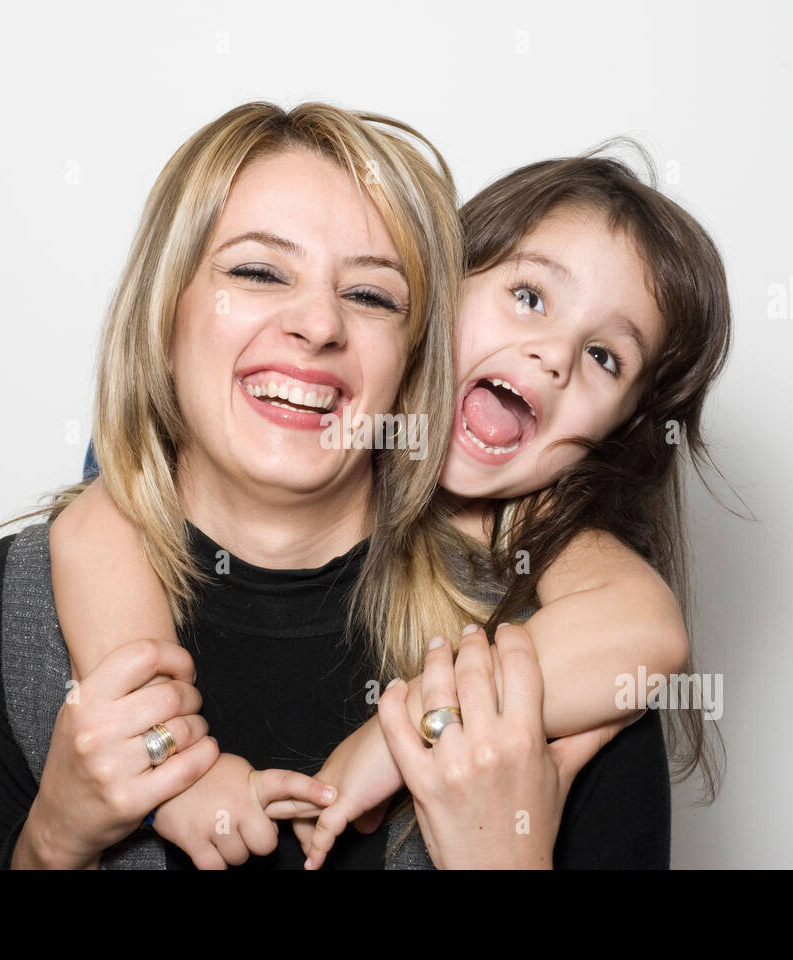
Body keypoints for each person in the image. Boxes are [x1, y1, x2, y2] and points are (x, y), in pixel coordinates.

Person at [51, 139, 733, 868]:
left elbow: (647, 628)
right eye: (529, 298)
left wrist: (396, 738)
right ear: (436, 286)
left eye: (605, 358)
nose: (555, 357)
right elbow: (95, 519)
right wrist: (172, 767)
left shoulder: (536, 533)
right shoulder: (286, 418)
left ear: (611, 434)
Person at [0, 100, 606, 870]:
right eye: (258, 272)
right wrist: (51, 842)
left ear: (412, 366)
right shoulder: (30, 596)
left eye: (371, 295)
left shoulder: (550, 647)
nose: (317, 324)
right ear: (164, 320)